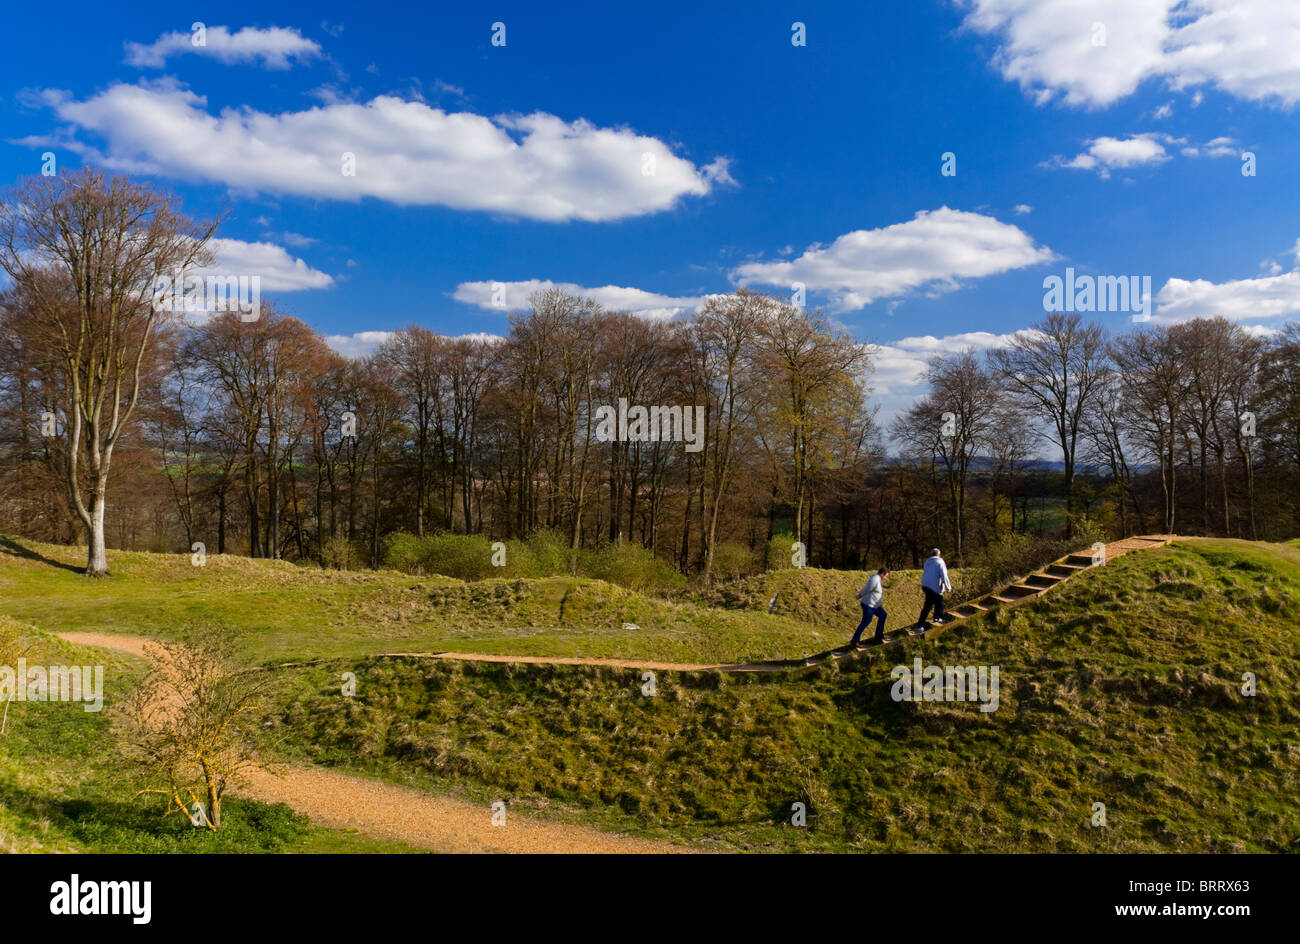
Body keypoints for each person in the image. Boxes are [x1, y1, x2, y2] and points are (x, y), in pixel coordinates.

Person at [914, 548, 952, 634]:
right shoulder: (940, 561)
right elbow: (944, 575)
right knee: (939, 602)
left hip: (925, 585)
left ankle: (920, 625)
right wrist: (948, 587)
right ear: (939, 555)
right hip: (934, 586)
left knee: (928, 605)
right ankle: (937, 618)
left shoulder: (927, 561)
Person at [850, 567, 890, 647]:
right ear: (882, 574)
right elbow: (867, 588)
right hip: (868, 605)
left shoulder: (878, 579)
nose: (886, 578)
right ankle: (854, 640)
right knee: (866, 621)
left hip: (875, 605)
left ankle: (879, 636)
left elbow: (876, 591)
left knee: (883, 615)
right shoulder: (875, 579)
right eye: (886, 576)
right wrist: (860, 595)